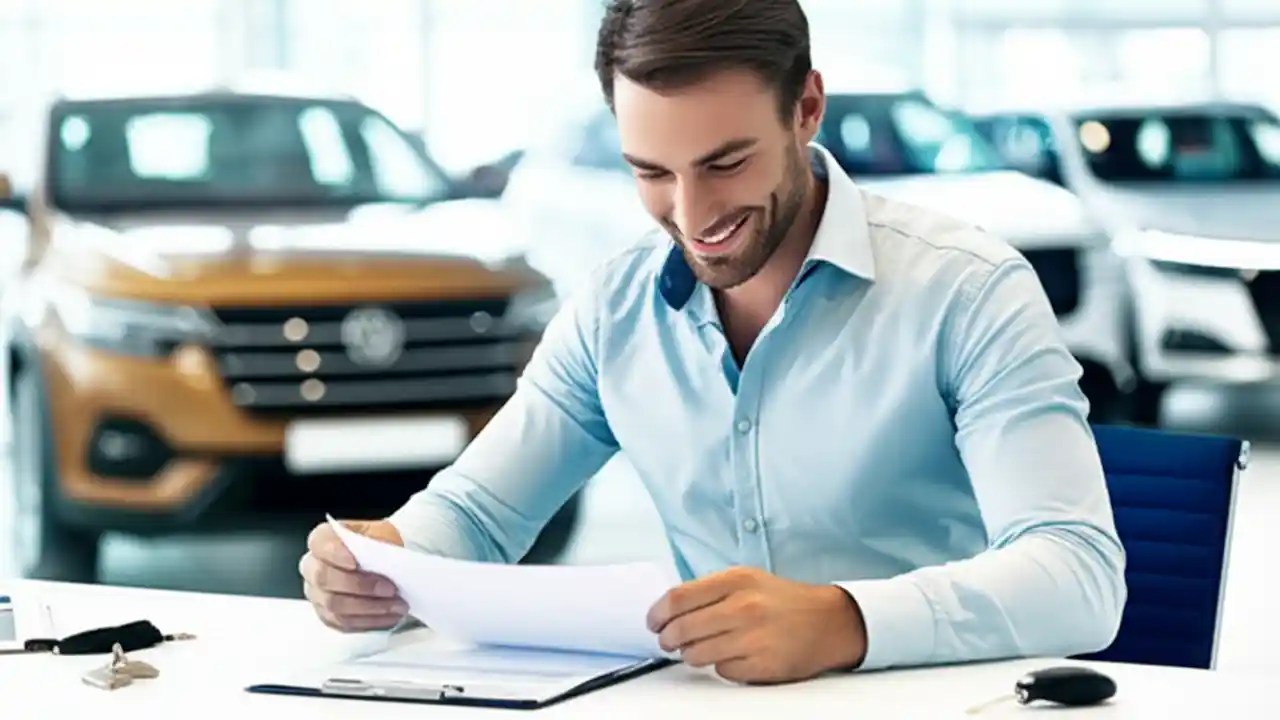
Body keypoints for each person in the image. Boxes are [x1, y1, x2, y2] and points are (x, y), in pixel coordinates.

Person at [299, 0, 1126, 684]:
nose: (692, 218)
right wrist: (389, 562)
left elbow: (1078, 575)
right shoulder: (613, 310)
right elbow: (478, 513)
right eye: (651, 173)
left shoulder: (969, 291)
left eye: (726, 163)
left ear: (806, 108)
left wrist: (844, 620)